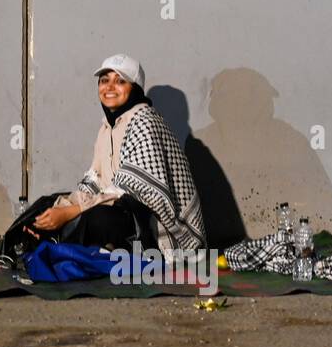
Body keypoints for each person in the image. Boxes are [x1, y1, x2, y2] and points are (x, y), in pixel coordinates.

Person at [29, 54, 205, 256]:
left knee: (97, 219)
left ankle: (70, 254)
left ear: (135, 89)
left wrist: (71, 212)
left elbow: (132, 192)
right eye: (104, 81)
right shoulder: (107, 126)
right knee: (47, 204)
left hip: (172, 235)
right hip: (126, 212)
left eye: (120, 81)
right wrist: (62, 206)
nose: (110, 87)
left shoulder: (144, 120)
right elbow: (94, 182)